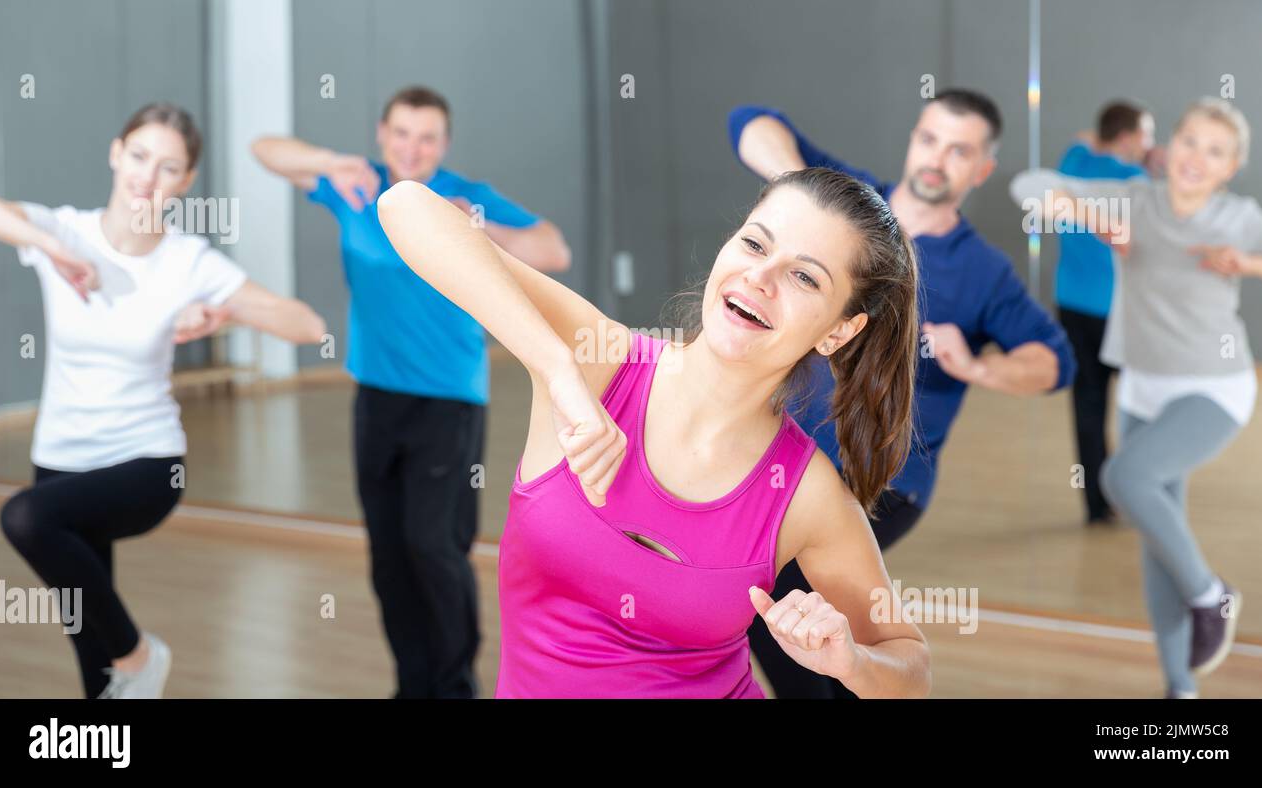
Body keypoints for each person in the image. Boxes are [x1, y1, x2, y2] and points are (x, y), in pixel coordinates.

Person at [377, 166, 931, 698]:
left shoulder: (805, 494)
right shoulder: (600, 362)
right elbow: (404, 205)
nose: (759, 279)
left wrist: (852, 662)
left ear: (840, 331)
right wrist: (557, 370)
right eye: (755, 245)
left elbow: (909, 666)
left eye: (804, 277)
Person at [729, 88, 1075, 698]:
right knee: (784, 616)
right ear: (914, 137)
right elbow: (750, 119)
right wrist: (797, 194)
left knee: (780, 607)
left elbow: (1055, 361)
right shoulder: (850, 209)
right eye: (930, 139)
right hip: (788, 469)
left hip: (883, 487)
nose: (937, 159)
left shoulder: (984, 272)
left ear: (981, 169)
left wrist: (979, 368)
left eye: (960, 150)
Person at [0, 102, 327, 699]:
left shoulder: (188, 261)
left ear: (186, 182)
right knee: (93, 647)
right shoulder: (63, 231)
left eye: (168, 167)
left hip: (145, 464)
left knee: (25, 517)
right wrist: (49, 245)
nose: (147, 176)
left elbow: (306, 325)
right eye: (139, 156)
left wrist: (225, 313)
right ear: (116, 153)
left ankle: (143, 657)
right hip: (61, 459)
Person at [252, 85, 571, 698]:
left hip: (449, 400)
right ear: (382, 134)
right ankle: (413, 684)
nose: (413, 148)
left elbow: (553, 249)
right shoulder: (357, 185)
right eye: (401, 134)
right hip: (375, 397)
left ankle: (455, 688)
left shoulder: (465, 195)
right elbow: (264, 149)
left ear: (443, 144)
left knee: (434, 546)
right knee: (389, 555)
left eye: (427, 138)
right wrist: (326, 162)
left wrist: (474, 224)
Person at [1010, 97, 1262, 698]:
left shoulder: (1239, 217)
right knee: (1160, 541)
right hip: (1142, 387)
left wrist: (1252, 263)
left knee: (1124, 480)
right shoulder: (1134, 200)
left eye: (1214, 151)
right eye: (1190, 142)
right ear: (1169, 146)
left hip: (1215, 387)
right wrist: (1076, 210)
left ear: (1230, 166)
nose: (1196, 158)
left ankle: (1212, 594)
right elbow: (1029, 182)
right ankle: (1180, 687)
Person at [1054, 101, 1154, 525]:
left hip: (1072, 307)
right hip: (1121, 313)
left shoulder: (1071, 164)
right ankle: (1137, 495)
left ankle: (1097, 506)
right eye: (1147, 135)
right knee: (1138, 407)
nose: (1151, 145)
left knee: (1088, 406)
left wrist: (1096, 141)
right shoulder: (1136, 180)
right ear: (1129, 137)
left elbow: (1081, 140)